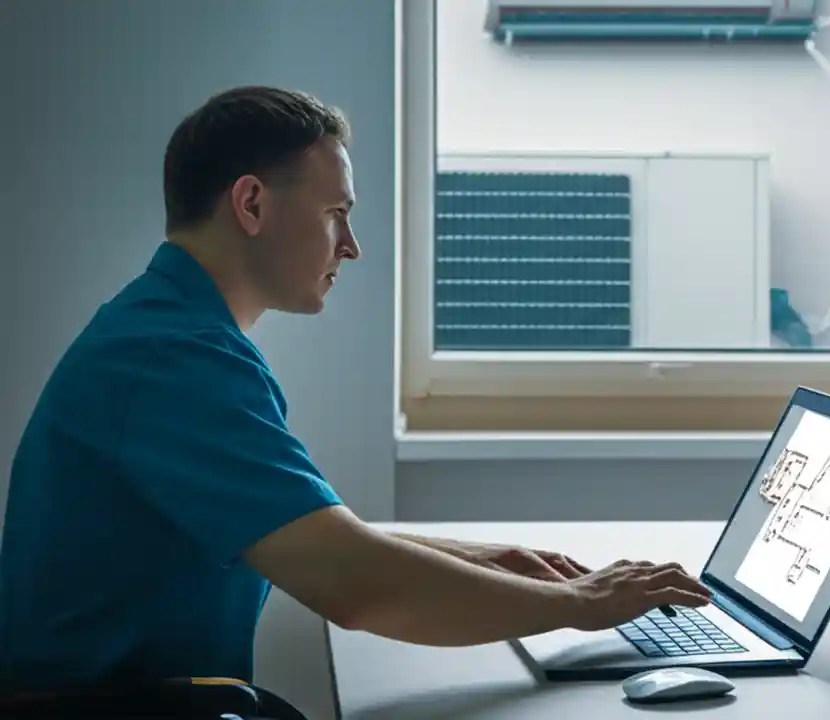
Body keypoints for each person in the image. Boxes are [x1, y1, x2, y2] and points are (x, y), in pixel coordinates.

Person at [0, 86, 711, 697]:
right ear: (251, 203)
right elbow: (356, 585)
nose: (351, 245)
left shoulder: (167, 334)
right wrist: (577, 604)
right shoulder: (171, 359)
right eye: (336, 211)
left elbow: (316, 538)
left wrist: (490, 561)